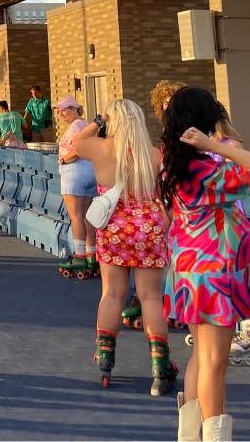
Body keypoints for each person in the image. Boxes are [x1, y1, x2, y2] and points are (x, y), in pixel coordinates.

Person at [161, 87, 250, 441]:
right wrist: (215, 146)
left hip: (189, 271)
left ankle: (189, 434)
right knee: (214, 363)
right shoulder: (208, 170)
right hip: (215, 274)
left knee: (201, 359)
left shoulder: (175, 162)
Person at [72, 99, 176, 396]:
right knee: (151, 297)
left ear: (112, 121)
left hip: (113, 226)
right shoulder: (154, 154)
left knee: (112, 294)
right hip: (149, 225)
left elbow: (75, 143)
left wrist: (98, 120)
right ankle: (160, 365)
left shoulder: (100, 148)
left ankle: (105, 358)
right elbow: (165, 193)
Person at [54, 96, 98, 279]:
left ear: (73, 109)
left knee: (76, 215)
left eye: (63, 110)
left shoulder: (77, 126)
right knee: (87, 214)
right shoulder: (87, 124)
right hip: (89, 171)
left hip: (74, 172)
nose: (60, 114)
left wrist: (64, 159)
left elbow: (79, 148)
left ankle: (79, 256)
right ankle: (91, 254)